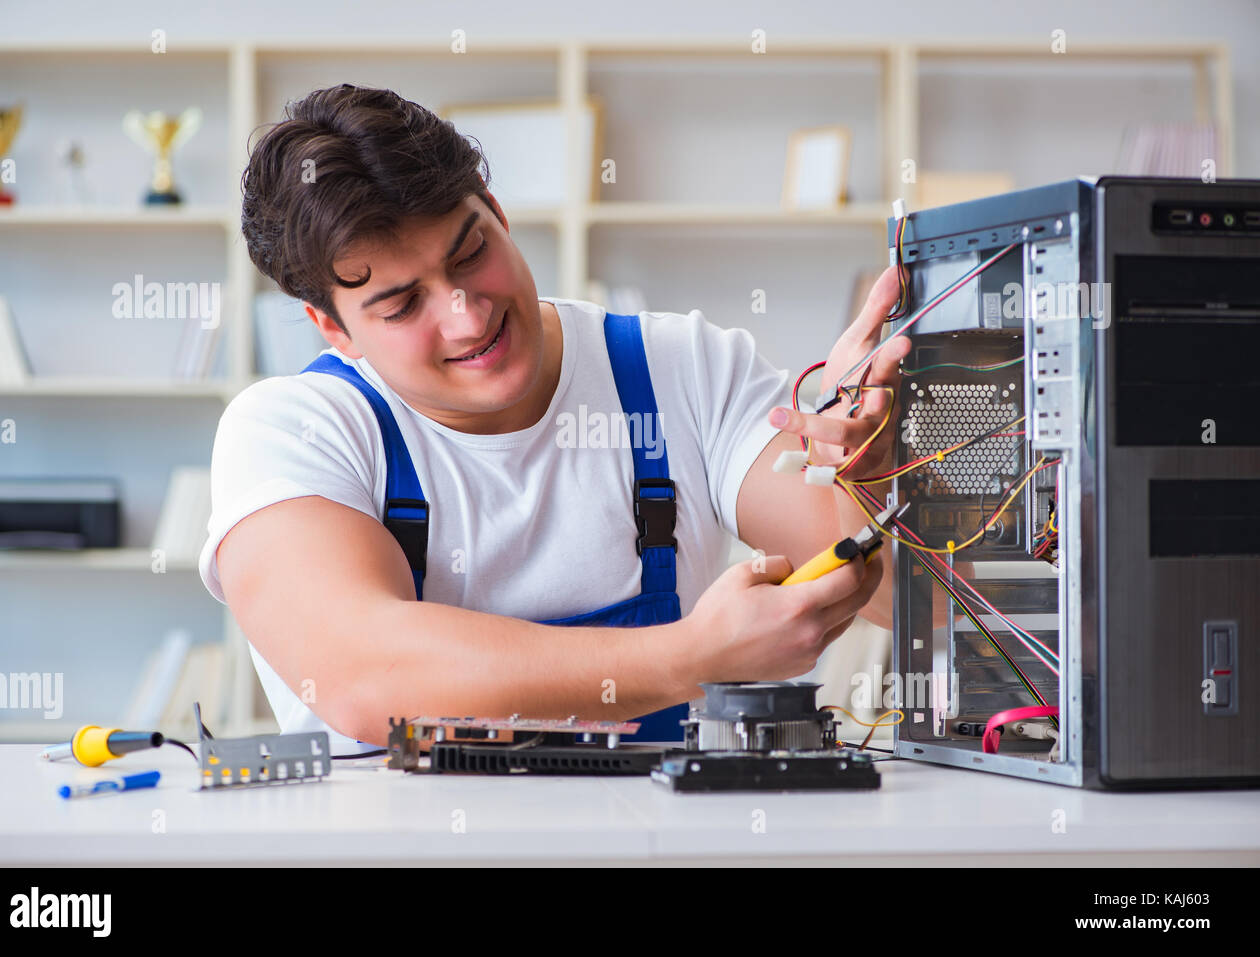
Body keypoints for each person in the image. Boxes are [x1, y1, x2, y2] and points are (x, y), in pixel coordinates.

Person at [198, 84, 910, 753]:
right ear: (334, 328)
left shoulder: (682, 368)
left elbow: (892, 595)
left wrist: (874, 479)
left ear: (497, 214)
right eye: (403, 304)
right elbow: (362, 673)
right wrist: (692, 657)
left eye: (470, 253)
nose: (466, 316)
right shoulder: (290, 431)